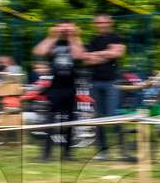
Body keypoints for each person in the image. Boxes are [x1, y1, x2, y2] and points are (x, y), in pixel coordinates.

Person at [77, 14, 128, 159]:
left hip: (112, 82)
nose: (102, 25)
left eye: (105, 22)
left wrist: (97, 55)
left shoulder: (116, 38)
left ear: (110, 23)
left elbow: (117, 53)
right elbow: (86, 60)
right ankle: (102, 151)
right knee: (98, 117)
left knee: (114, 116)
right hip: (95, 82)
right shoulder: (93, 40)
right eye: (99, 23)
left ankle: (123, 151)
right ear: (95, 24)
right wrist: (107, 54)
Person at [33, 22, 84, 160]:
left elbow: (79, 55)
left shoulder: (75, 42)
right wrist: (53, 35)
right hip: (55, 87)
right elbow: (39, 51)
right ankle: (46, 154)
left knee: (69, 122)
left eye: (67, 28)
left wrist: (73, 35)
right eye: (62, 28)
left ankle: (67, 154)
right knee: (50, 121)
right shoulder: (53, 43)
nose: (65, 30)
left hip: (71, 87)